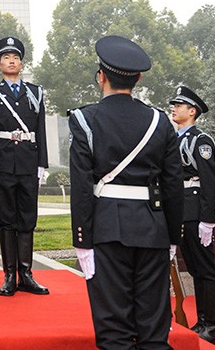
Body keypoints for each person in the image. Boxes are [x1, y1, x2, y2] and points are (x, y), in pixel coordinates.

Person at [68, 36, 183, 349]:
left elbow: (81, 186)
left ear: (101, 76)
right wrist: (173, 237)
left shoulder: (84, 120)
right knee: (154, 331)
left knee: (115, 331)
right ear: (138, 79)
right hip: (153, 229)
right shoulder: (160, 121)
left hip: (107, 230)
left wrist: (82, 239)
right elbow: (174, 185)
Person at [0, 37, 50, 296]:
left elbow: (40, 128)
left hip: (28, 161)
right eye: (6, 57)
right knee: (7, 219)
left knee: (27, 218)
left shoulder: (36, 92)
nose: (12, 61)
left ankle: (27, 274)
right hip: (3, 161)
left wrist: (42, 162)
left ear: (21, 62)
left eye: (16, 57)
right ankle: (10, 275)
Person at [169, 85, 215, 344]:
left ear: (192, 111)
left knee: (205, 269)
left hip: (194, 209)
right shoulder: (174, 138)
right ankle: (201, 320)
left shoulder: (201, 141)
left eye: (179, 105)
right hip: (180, 208)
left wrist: (207, 219)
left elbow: (210, 182)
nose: (174, 108)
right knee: (194, 269)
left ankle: (211, 325)